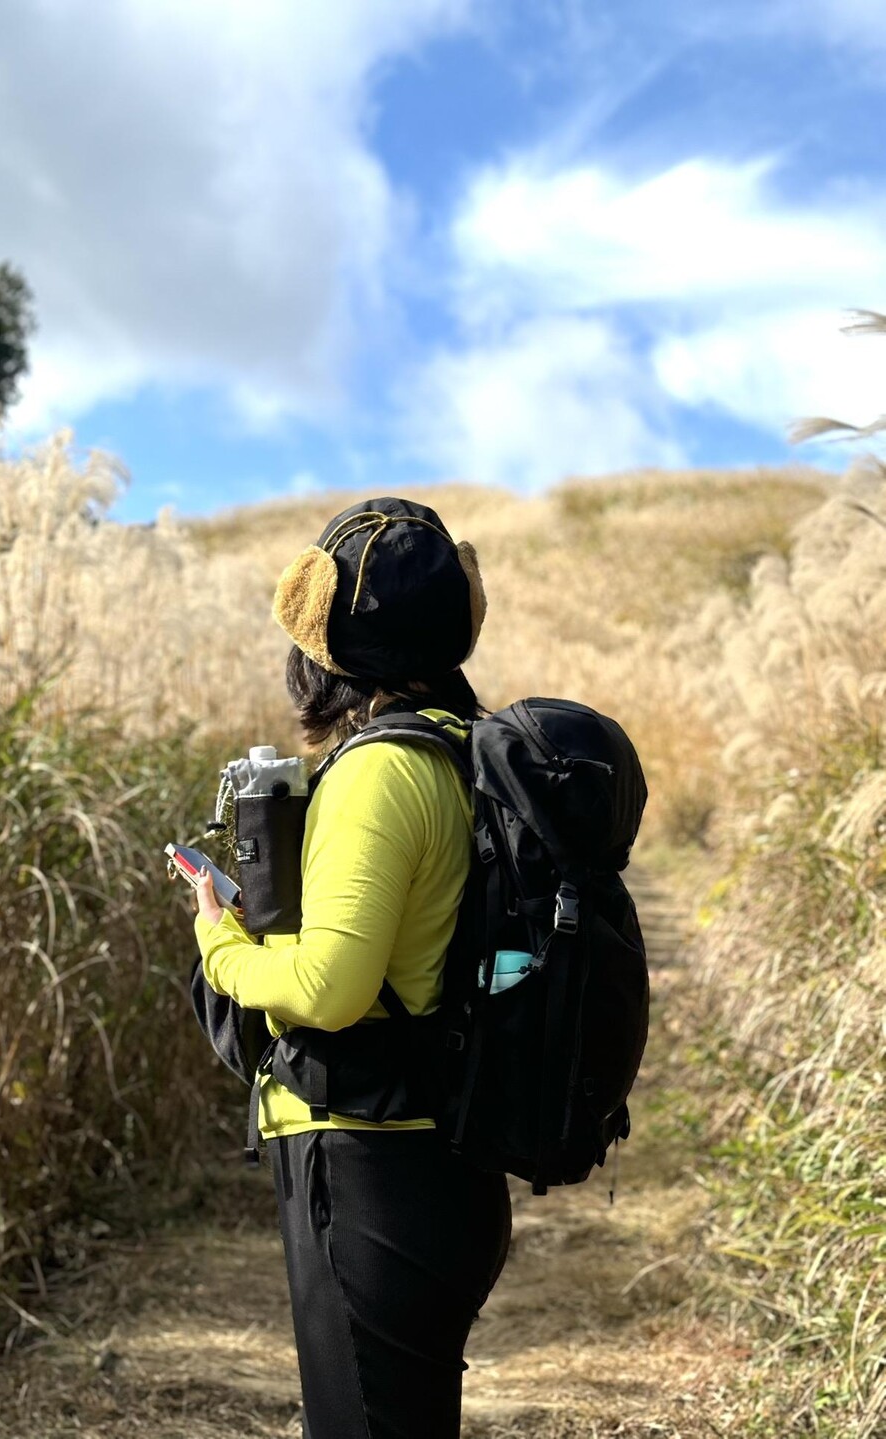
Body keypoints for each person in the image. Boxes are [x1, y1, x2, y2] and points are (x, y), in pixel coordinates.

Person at [193, 497, 512, 1439]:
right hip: (447, 1157)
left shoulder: (378, 770)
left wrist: (219, 941)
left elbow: (330, 989)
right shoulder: (465, 751)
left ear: (323, 650)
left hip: (370, 1167)